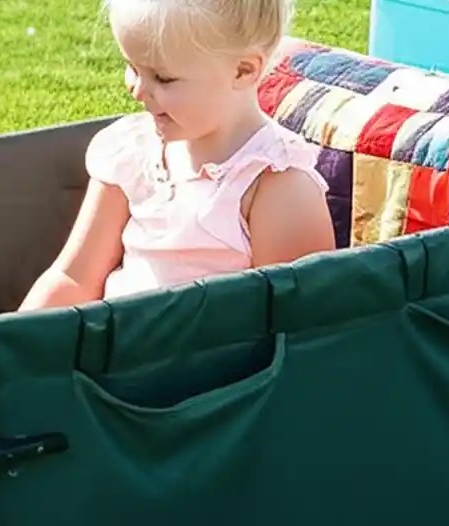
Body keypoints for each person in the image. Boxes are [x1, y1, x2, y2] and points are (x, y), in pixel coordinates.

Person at [19, 0, 334, 310]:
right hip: (113, 352)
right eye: (132, 67)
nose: (137, 90)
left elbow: (294, 331)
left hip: (206, 359)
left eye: (163, 78)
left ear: (242, 70)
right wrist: (6, 348)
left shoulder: (277, 184)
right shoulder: (132, 151)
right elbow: (74, 278)